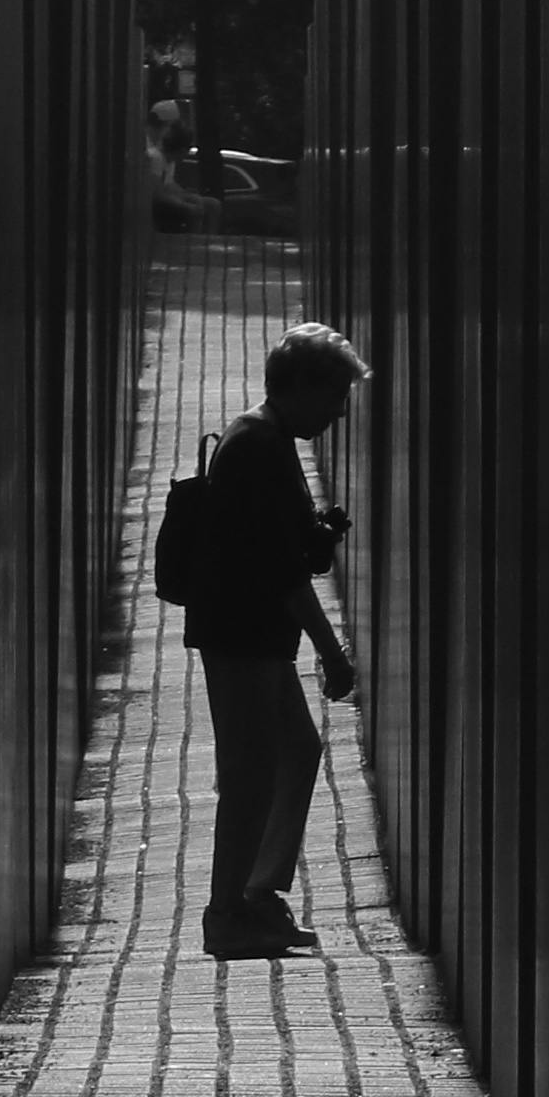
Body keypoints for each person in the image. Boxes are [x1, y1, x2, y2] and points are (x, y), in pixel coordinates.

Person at [188, 324, 366, 960]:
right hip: (244, 632)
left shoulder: (267, 438)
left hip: (254, 631)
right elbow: (280, 571)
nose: (341, 410)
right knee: (251, 773)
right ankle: (227, 911)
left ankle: (257, 895)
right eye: (336, 393)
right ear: (303, 386)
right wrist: (332, 649)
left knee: (293, 750)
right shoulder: (260, 445)